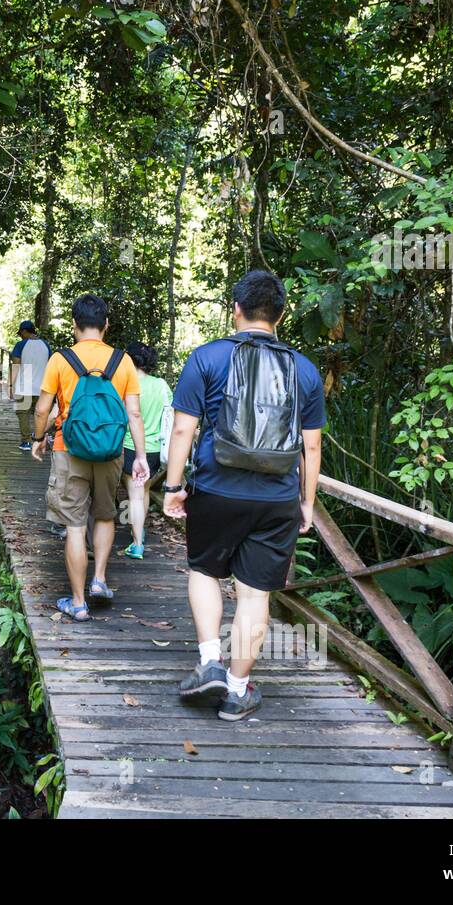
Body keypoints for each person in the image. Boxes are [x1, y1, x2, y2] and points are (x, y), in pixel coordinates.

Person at [162, 269, 325, 721]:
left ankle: (209, 661)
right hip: (276, 497)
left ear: (235, 309)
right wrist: (305, 502)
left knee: (204, 570)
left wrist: (174, 488)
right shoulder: (304, 370)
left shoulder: (207, 358)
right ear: (281, 315)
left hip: (215, 487)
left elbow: (182, 427)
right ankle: (236, 692)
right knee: (255, 596)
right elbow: (311, 446)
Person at [31, 295, 149, 621]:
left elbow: (43, 408)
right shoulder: (122, 361)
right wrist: (139, 455)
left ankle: (78, 602)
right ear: (106, 325)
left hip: (69, 450)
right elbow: (134, 413)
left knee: (74, 524)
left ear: (74, 324)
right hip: (111, 451)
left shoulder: (60, 359)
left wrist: (38, 439)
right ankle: (99, 580)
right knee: (106, 514)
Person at [120, 342, 172, 560]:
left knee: (134, 496)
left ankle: (137, 544)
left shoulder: (125, 383)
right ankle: (139, 529)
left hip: (131, 446)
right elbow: (171, 414)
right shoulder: (161, 385)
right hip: (153, 450)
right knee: (144, 492)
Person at [9, 320, 51, 451]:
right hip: (42, 385)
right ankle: (38, 438)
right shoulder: (45, 345)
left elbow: (16, 365)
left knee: (23, 413)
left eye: (20, 333)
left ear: (24, 331)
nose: (20, 336)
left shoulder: (20, 345)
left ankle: (26, 441)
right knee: (39, 413)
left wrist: (10, 385)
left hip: (24, 384)